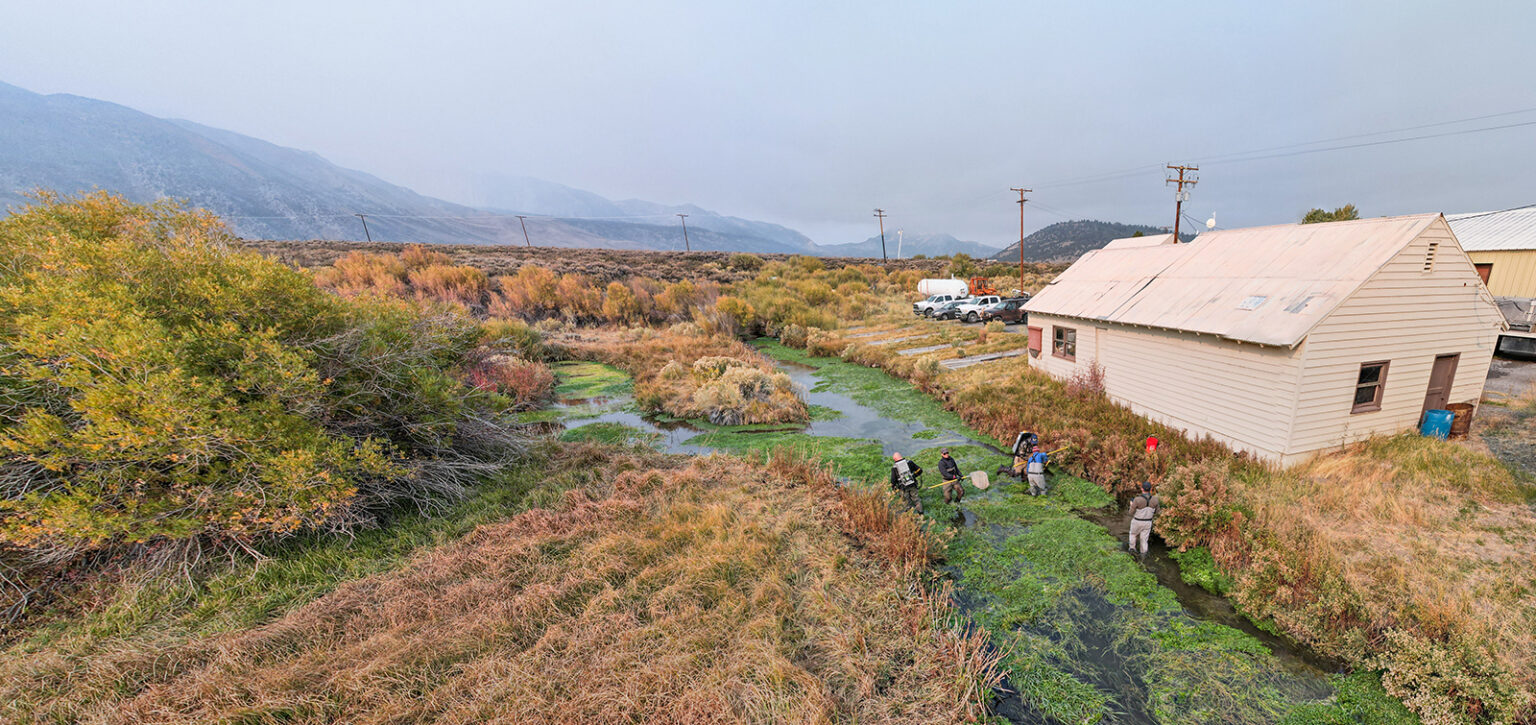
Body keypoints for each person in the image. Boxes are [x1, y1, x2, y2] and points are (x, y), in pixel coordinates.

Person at [1128, 481, 1160, 558]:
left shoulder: (1137, 500)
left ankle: (1132, 549)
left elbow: (1130, 513)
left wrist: (1131, 505)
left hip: (1137, 521)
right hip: (1148, 523)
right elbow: (1158, 512)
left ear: (1142, 489)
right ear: (1151, 489)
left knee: (1133, 534)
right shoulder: (1155, 500)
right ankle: (1143, 554)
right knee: (1144, 539)